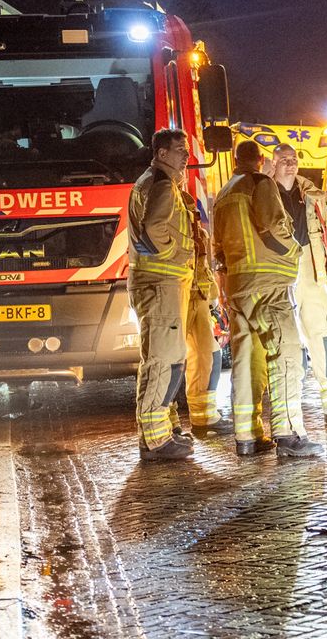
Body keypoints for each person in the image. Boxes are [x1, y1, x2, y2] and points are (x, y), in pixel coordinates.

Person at [212, 139, 322, 457]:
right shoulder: (260, 184)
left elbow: (218, 247)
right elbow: (274, 225)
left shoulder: (223, 193)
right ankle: (289, 435)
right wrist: (295, 253)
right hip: (268, 284)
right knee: (286, 355)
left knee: (247, 360)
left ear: (235, 160)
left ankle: (247, 436)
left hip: (238, 286)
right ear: (262, 161)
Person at [272, 143, 327, 425]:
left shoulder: (310, 194)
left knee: (325, 334)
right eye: (284, 160)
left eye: (293, 159)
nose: (290, 164)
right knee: (286, 341)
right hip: (279, 269)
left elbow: (326, 234)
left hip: (310, 268)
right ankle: (287, 412)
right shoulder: (264, 191)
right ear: (273, 164)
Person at [127, 128, 195, 460]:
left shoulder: (149, 180)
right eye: (181, 150)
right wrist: (177, 253)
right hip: (161, 282)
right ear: (162, 153)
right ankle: (157, 442)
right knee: (164, 360)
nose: (187, 156)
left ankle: (156, 433)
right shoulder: (163, 185)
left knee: (158, 359)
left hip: (153, 282)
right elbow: (155, 228)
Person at [181, 190, 232, 439]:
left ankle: (204, 417)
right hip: (177, 294)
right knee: (169, 362)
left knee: (209, 354)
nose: (195, 218)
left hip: (198, 295)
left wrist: (212, 295)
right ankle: (167, 425)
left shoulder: (198, 234)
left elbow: (203, 265)